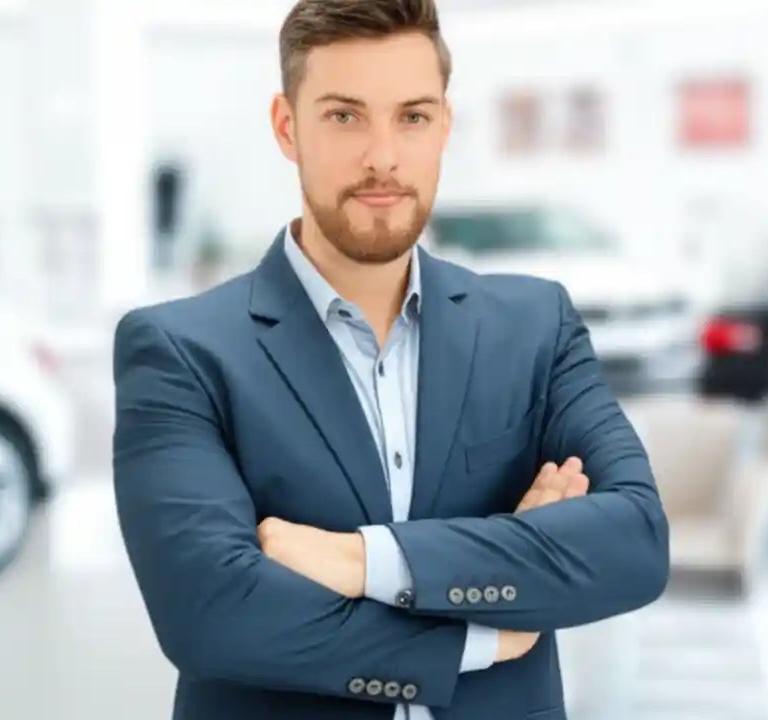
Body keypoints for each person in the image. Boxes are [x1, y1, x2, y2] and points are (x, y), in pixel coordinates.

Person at [110, 1, 670, 718]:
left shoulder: (535, 325)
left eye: (412, 116)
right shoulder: (181, 351)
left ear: (444, 126)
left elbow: (635, 543)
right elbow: (211, 613)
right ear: (289, 127)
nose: (383, 155)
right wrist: (493, 629)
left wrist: (364, 560)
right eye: (345, 116)